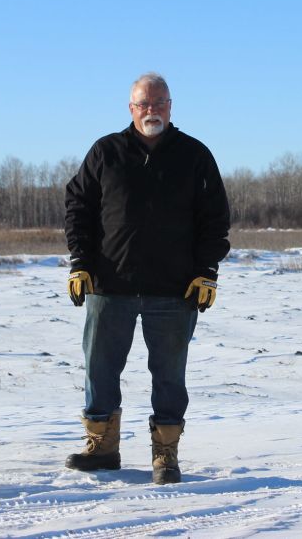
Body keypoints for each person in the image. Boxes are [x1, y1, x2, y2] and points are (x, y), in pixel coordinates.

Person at [63, 72, 231, 485]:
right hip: (110, 285)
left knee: (169, 376)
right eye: (143, 104)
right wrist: (80, 261)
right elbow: (78, 206)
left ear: (170, 107)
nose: (151, 110)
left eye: (158, 103)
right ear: (131, 108)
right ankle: (102, 447)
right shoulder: (106, 152)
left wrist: (206, 271)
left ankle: (165, 455)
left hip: (174, 289)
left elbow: (215, 219)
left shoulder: (194, 155)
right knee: (100, 369)